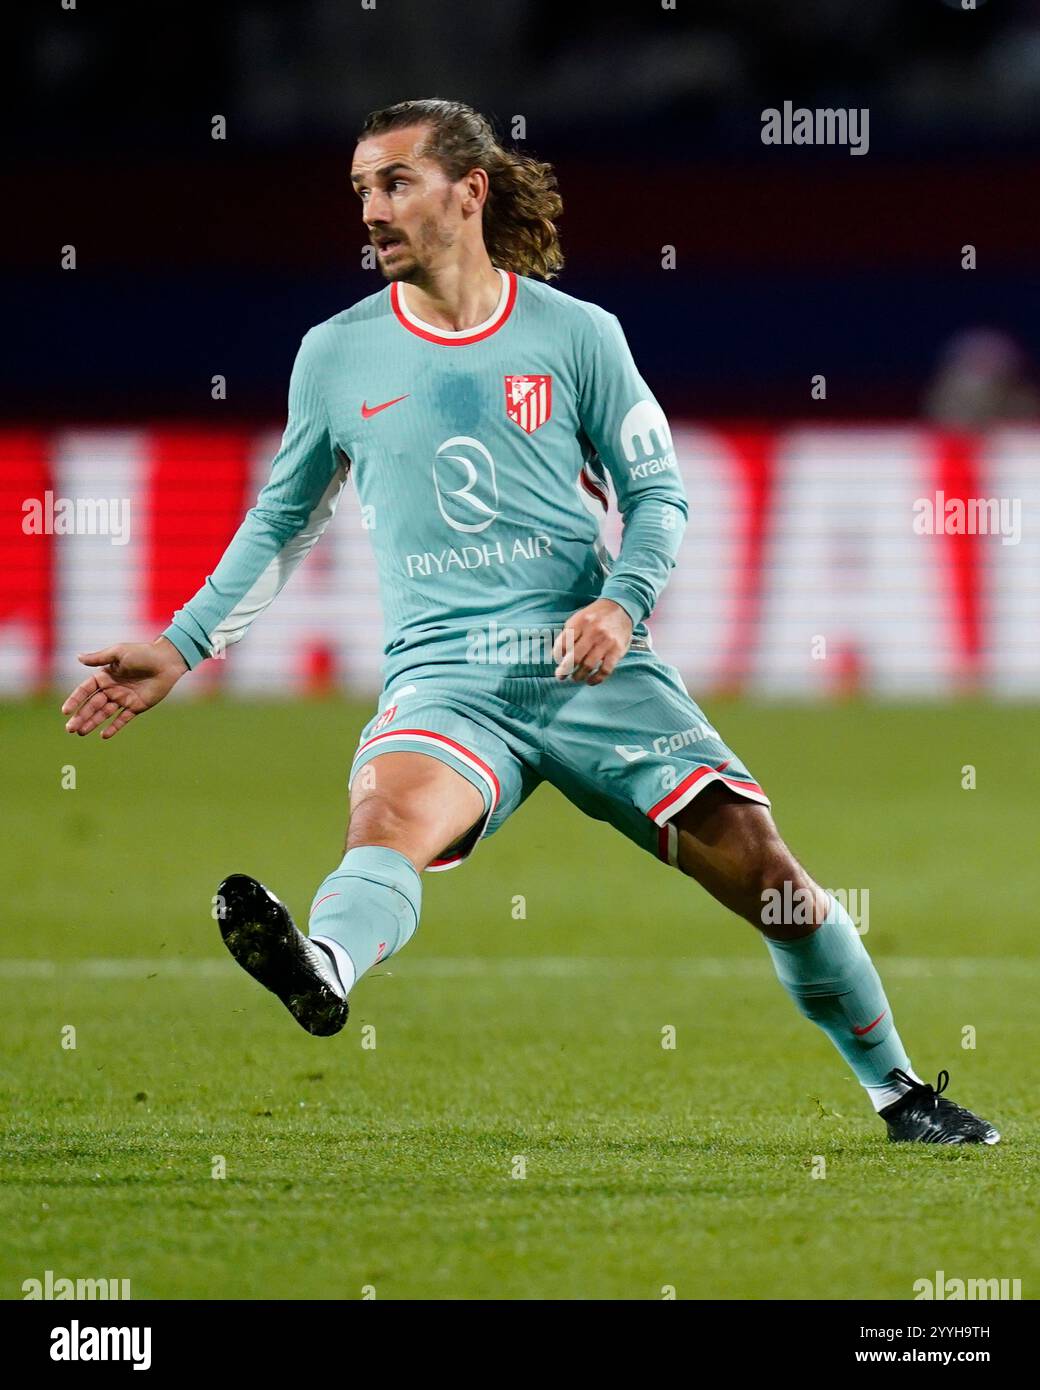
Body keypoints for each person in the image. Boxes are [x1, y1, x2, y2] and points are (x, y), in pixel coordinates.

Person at [61, 99, 998, 1145]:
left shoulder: (575, 334)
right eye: (361, 189)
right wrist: (182, 643)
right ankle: (323, 964)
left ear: (470, 191)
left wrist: (619, 600)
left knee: (771, 878)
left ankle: (899, 1092)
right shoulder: (334, 355)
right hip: (448, 678)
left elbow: (660, 498)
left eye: (395, 182)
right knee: (385, 826)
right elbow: (283, 516)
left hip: (595, 670)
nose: (370, 210)